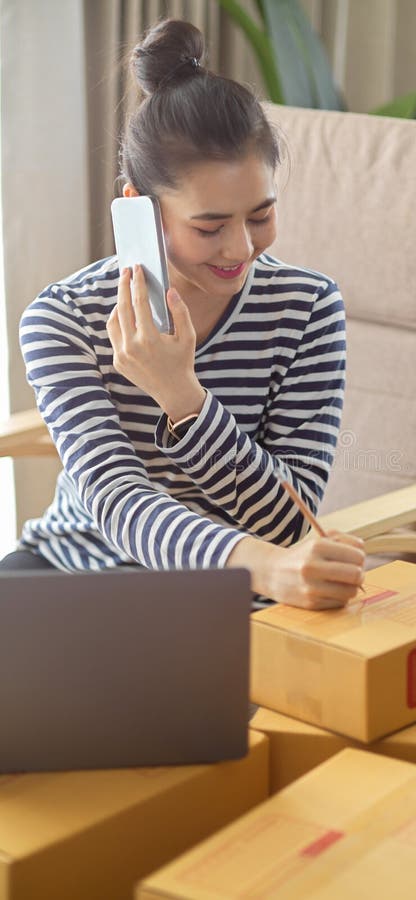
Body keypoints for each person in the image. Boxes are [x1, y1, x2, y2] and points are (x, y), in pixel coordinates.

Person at [0, 18, 365, 609]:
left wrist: (183, 398)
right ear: (138, 209)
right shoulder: (63, 320)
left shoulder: (307, 309)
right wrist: (263, 566)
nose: (241, 248)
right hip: (75, 569)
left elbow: (287, 521)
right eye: (210, 226)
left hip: (235, 588)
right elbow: (118, 500)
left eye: (261, 215)